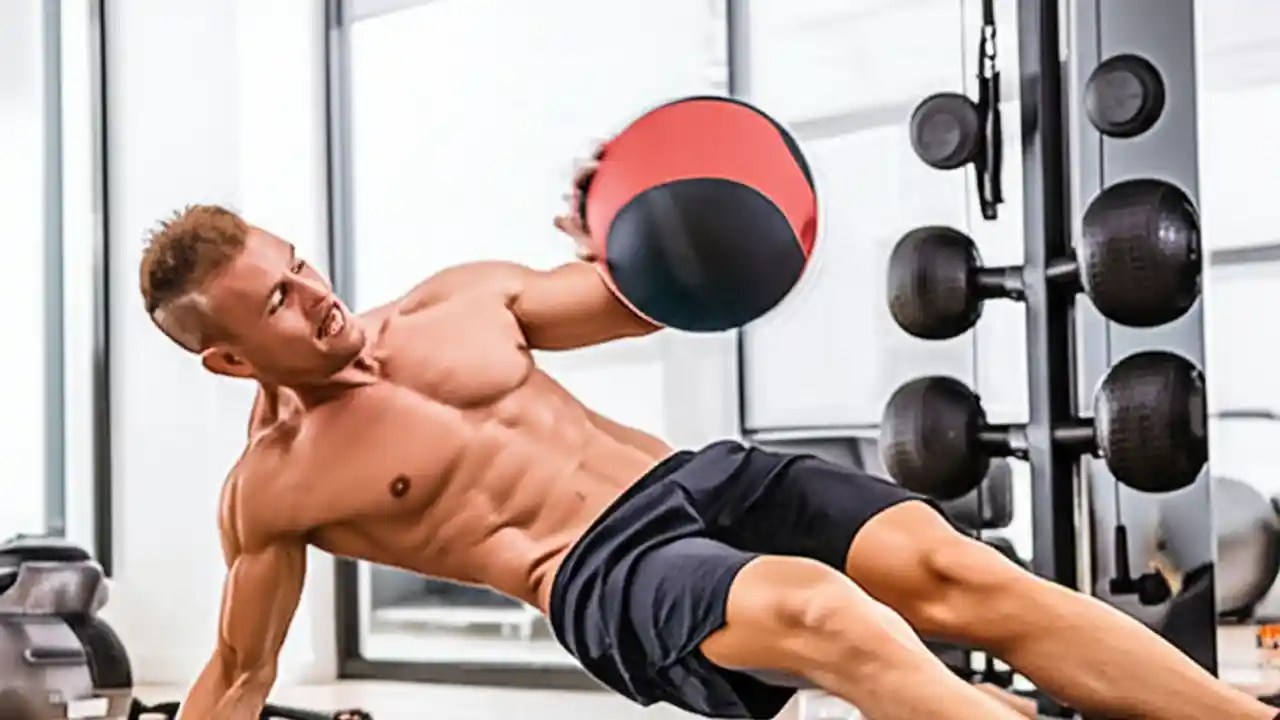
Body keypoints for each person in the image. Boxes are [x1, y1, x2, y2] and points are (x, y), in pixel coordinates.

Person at [138, 157, 1277, 720]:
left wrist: (631, 228)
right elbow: (239, 674)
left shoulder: (452, 302)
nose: (316, 297)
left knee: (955, 569)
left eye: (299, 268)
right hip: (598, 571)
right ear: (229, 359)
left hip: (696, 478)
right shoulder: (272, 489)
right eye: (277, 305)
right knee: (821, 610)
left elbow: (638, 300)